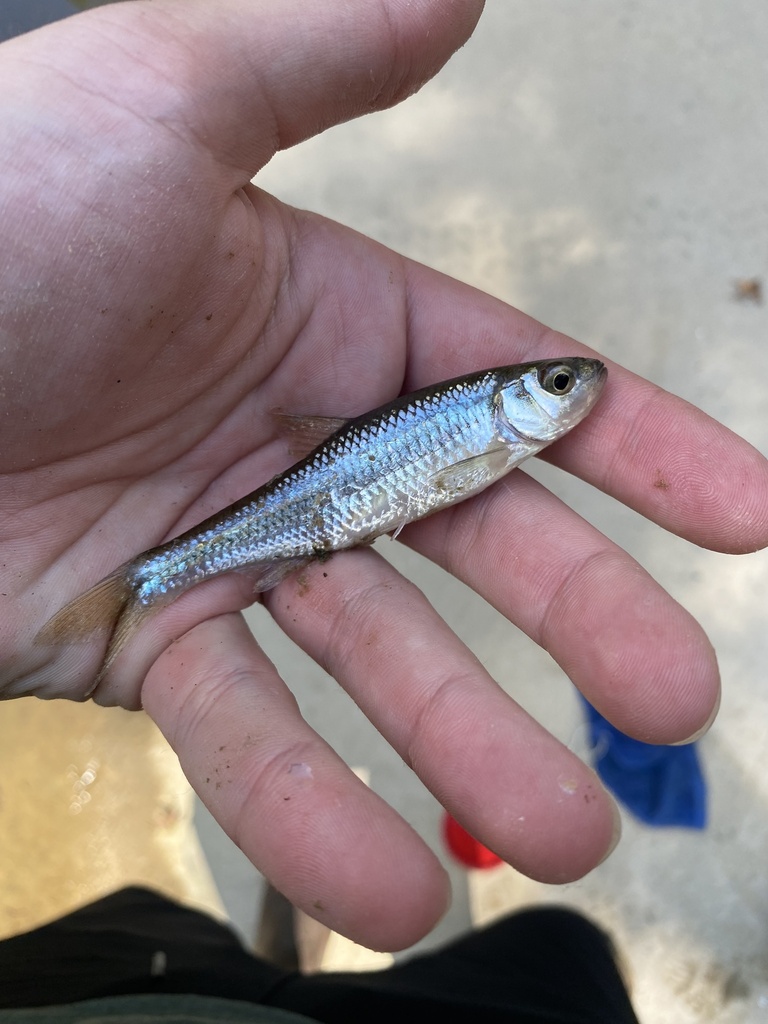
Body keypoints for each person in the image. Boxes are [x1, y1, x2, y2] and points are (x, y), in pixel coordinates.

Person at [0, 0, 766, 1018]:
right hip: (306, 515)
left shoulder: (489, 425)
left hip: (314, 515)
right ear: (509, 402)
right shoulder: (487, 420)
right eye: (550, 387)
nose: (567, 393)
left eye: (557, 386)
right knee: (562, 958)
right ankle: (148, 600)